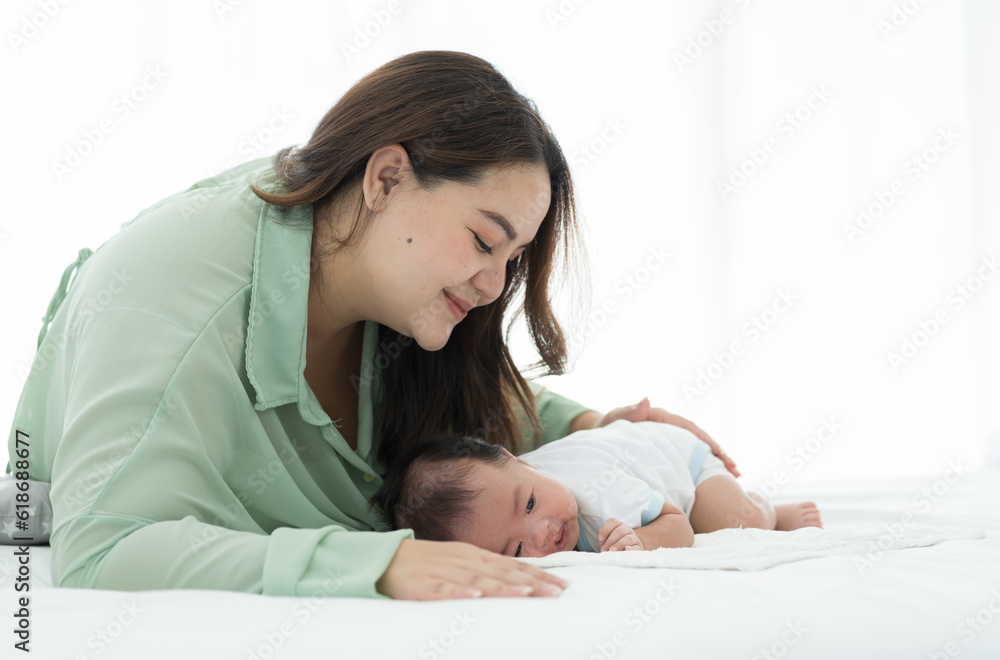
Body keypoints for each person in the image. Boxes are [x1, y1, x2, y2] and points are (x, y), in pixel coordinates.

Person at [5, 50, 737, 601]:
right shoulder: (172, 284)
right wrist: (378, 564)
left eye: (511, 259)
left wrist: (591, 427)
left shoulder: (393, 296)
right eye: (484, 241)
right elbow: (101, 549)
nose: (492, 286)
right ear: (385, 178)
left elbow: (458, 417)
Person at [373, 420, 821, 557]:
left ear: (518, 459)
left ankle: (772, 509)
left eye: (529, 503)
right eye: (515, 550)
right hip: (637, 456)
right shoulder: (510, 486)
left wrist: (641, 542)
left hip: (679, 461)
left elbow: (678, 524)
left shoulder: (600, 494)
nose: (542, 531)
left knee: (734, 522)